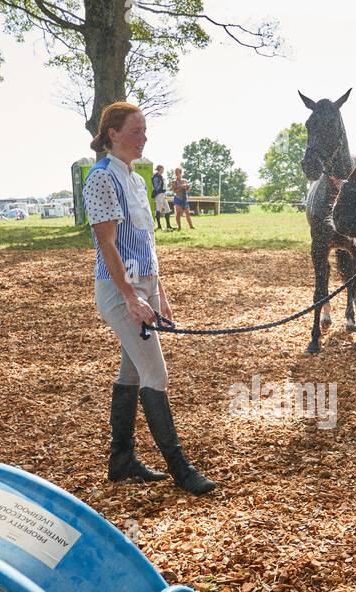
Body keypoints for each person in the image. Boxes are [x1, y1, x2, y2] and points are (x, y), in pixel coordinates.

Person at [85, 102, 215, 495]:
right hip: (117, 288)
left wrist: (160, 295)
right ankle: (181, 470)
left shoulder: (138, 180)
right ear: (112, 133)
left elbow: (147, 244)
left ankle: (121, 458)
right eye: (136, 130)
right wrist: (130, 297)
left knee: (132, 372)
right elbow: (107, 245)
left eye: (145, 131)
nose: (144, 137)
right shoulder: (101, 178)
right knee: (156, 374)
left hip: (143, 289)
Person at [151, 165, 170, 231]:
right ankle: (159, 226)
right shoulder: (155, 177)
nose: (163, 170)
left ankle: (168, 225)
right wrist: (161, 191)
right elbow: (156, 187)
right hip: (159, 194)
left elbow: (164, 186)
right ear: (159, 169)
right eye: (162, 169)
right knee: (158, 209)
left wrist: (164, 193)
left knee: (167, 209)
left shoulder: (161, 177)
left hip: (163, 194)